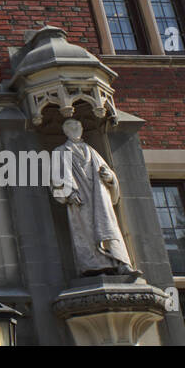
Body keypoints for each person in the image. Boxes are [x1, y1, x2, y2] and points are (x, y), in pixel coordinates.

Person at [50, 118, 136, 276]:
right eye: (70, 125)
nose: (74, 127)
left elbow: (108, 173)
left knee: (109, 228)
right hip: (80, 199)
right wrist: (69, 194)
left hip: (99, 197)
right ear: (65, 131)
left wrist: (109, 177)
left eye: (77, 124)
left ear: (82, 127)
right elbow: (56, 179)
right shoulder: (59, 152)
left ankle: (121, 263)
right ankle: (95, 269)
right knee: (85, 233)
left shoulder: (92, 151)